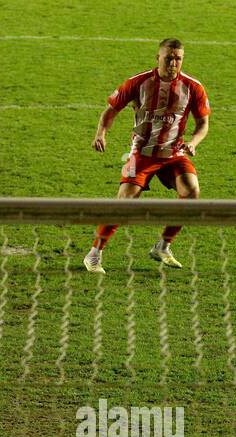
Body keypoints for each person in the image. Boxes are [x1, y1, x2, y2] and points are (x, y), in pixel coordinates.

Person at [85, 38, 210, 274]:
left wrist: (194, 142)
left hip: (174, 153)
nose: (173, 63)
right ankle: (94, 254)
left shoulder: (193, 87)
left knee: (192, 191)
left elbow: (203, 123)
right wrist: (100, 134)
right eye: (168, 58)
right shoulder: (139, 82)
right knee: (124, 204)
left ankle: (162, 246)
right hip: (142, 154)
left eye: (178, 58)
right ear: (158, 58)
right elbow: (111, 110)